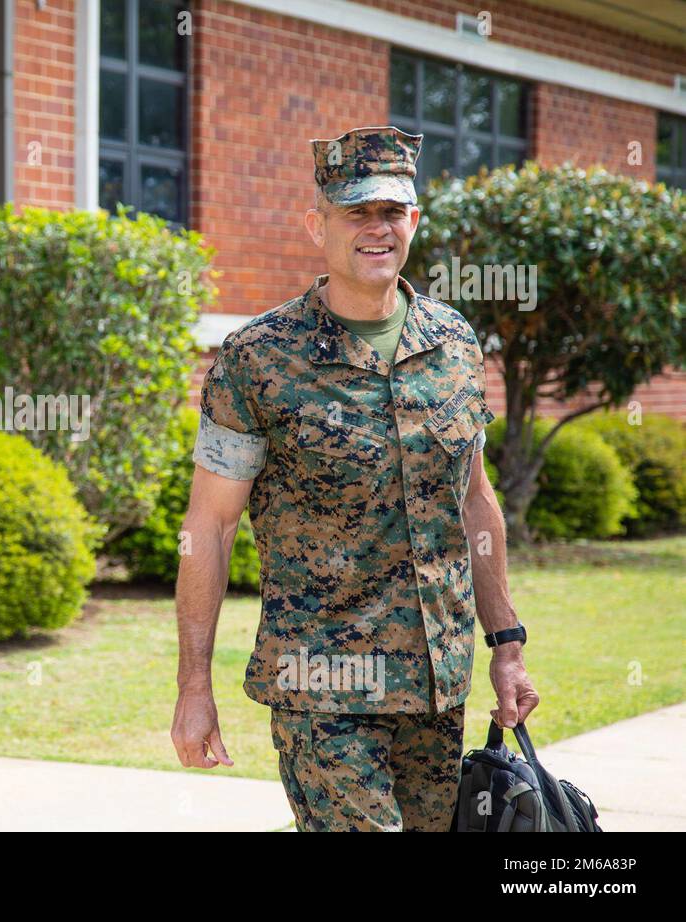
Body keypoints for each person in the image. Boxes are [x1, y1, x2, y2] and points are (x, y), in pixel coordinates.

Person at [171, 126, 539, 831]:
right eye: (355, 212)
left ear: (414, 221)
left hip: (435, 686)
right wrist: (194, 686)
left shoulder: (455, 345)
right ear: (318, 225)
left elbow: (475, 502)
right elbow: (208, 527)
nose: (377, 228)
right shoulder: (258, 359)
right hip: (322, 687)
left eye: (391, 212)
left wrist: (507, 649)